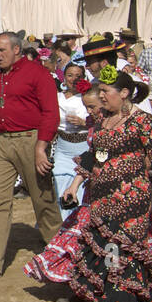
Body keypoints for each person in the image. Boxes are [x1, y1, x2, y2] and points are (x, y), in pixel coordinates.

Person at [24, 69, 152, 302]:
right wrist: (75, 186)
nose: (101, 97)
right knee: (106, 252)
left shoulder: (144, 122)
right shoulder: (103, 120)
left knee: (124, 254)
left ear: (124, 94)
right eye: (100, 93)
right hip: (100, 199)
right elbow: (96, 155)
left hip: (131, 200)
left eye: (105, 93)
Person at [0, 32, 60, 278]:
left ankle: (61, 254)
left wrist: (41, 147)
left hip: (30, 141)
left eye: (1, 50)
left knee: (43, 200)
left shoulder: (39, 74)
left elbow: (51, 113)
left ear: (16, 50)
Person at [53, 64, 91, 219]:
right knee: (59, 182)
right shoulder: (57, 97)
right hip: (63, 146)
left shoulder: (87, 98)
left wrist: (84, 123)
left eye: (78, 76)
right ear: (64, 77)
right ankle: (61, 226)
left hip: (84, 146)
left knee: (81, 188)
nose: (74, 79)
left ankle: (77, 225)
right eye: (70, 75)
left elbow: (100, 121)